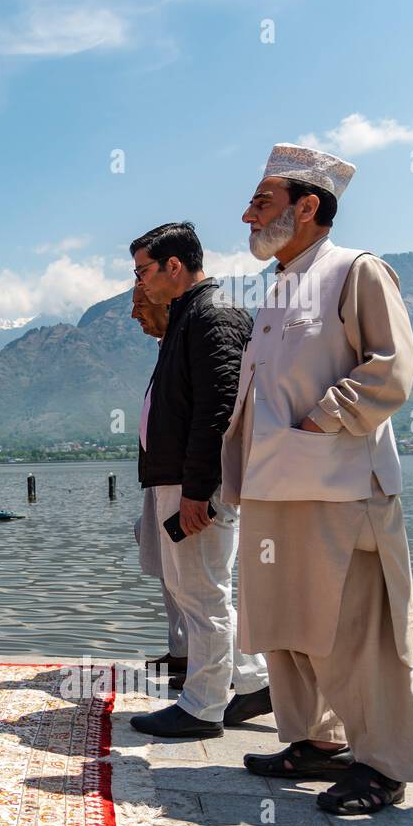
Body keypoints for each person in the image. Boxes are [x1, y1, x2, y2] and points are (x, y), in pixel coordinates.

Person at [229, 144, 413, 815]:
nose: (246, 213)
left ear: (308, 206)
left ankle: (383, 764)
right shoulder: (280, 286)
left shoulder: (355, 271)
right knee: (285, 624)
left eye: (262, 200)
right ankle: (312, 740)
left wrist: (325, 417)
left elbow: (392, 368)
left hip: (341, 486)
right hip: (274, 487)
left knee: (354, 629)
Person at [128, 222, 271, 740]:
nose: (140, 284)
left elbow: (218, 412)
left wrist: (197, 490)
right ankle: (252, 684)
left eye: (143, 271)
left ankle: (203, 705)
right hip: (180, 478)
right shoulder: (190, 318)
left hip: (193, 485)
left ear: (173, 266)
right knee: (200, 589)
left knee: (201, 592)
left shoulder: (212, 317)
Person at [131, 283, 187, 687]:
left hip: (183, 479)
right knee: (168, 565)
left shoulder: (184, 344)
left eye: (141, 304)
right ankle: (182, 649)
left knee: (194, 576)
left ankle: (232, 670)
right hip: (161, 478)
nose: (136, 314)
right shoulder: (164, 348)